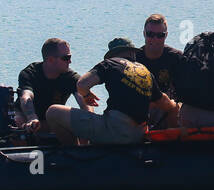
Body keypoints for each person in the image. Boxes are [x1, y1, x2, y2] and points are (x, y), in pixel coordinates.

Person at [43, 51, 178, 146]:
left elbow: (82, 84)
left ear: (113, 55)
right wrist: (175, 106)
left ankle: (73, 154)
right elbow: (166, 104)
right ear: (132, 54)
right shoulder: (145, 72)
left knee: (53, 112)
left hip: (115, 131)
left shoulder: (110, 64)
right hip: (139, 134)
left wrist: (86, 95)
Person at [15, 38, 83, 133]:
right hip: (27, 118)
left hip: (51, 120)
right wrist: (32, 117)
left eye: (70, 57)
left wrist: (89, 117)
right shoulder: (29, 73)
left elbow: (83, 97)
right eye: (66, 58)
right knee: (18, 119)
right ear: (50, 60)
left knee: (78, 123)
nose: (70, 61)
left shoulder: (70, 77)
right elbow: (26, 96)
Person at [132, 14, 183, 129]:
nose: (155, 39)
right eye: (150, 34)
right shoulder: (135, 59)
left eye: (160, 35)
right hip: (142, 108)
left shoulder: (176, 58)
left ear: (166, 36)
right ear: (144, 34)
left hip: (168, 108)